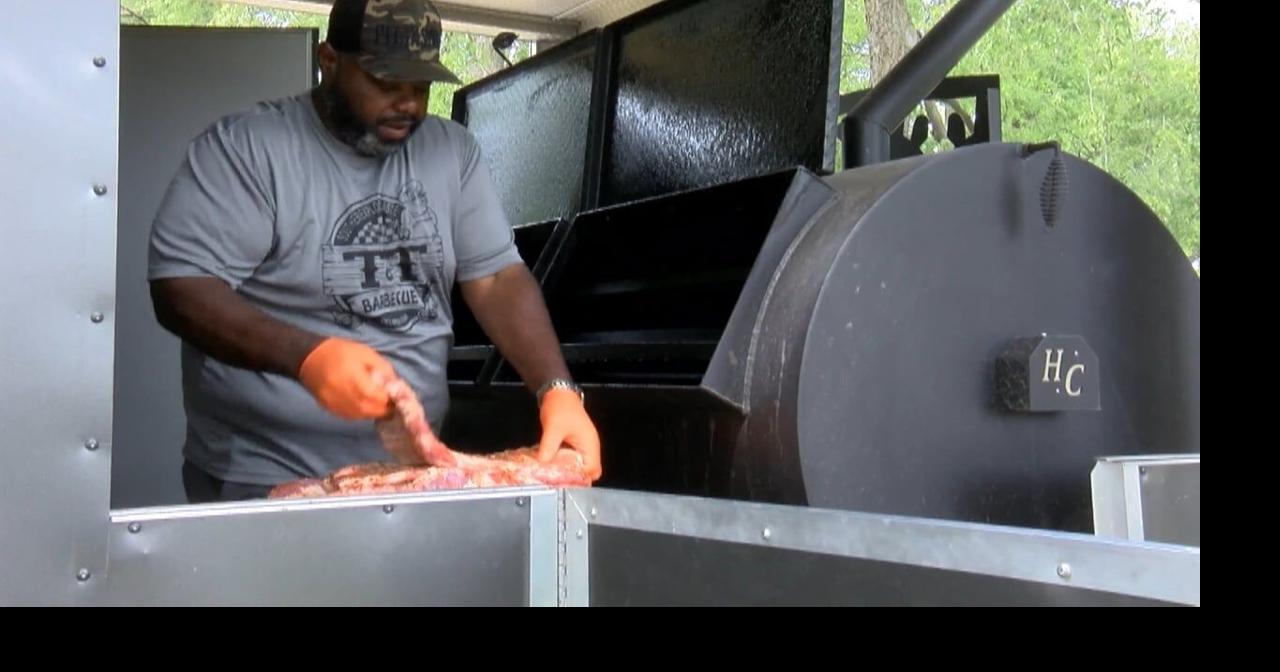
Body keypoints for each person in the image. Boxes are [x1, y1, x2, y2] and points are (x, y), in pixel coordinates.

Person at [148, 0, 600, 503]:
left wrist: (556, 389)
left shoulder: (451, 151)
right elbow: (181, 289)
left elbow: (496, 278)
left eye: (421, 87)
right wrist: (308, 357)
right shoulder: (250, 150)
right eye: (387, 83)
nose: (408, 105)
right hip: (263, 474)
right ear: (330, 61)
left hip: (411, 472)